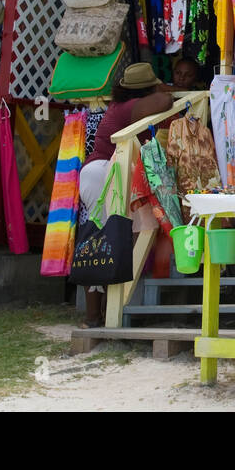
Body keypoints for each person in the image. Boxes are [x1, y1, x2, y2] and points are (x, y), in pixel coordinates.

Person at [78, 62, 174, 328]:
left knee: (101, 241)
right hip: (107, 172)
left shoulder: (120, 106)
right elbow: (164, 100)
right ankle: (101, 315)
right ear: (148, 88)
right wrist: (166, 89)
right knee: (111, 243)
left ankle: (97, 316)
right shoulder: (131, 107)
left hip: (101, 173)